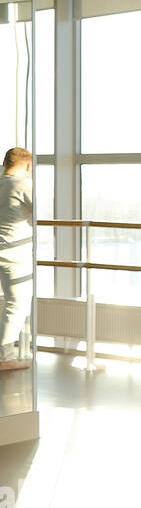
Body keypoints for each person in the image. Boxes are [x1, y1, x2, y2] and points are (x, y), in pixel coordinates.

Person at [0, 146, 33, 372]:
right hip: (13, 254)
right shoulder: (21, 185)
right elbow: (37, 214)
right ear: (28, 165)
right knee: (17, 304)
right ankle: (5, 356)